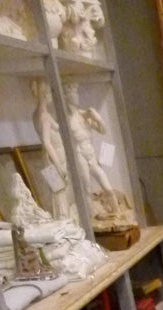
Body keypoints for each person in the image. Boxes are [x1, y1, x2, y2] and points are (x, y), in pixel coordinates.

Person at [63, 80, 118, 216]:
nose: (76, 96)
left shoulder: (85, 114)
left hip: (90, 154)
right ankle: (89, 217)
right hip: (79, 153)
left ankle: (116, 211)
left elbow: (103, 131)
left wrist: (97, 118)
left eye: (76, 93)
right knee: (86, 188)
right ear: (66, 97)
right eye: (72, 93)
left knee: (107, 186)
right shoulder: (66, 119)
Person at [31, 78, 73, 220]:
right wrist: (59, 167)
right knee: (59, 194)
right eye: (49, 93)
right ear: (44, 94)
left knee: (60, 193)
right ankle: (63, 222)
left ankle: (64, 222)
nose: (50, 96)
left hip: (53, 157)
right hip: (53, 160)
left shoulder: (39, 114)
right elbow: (47, 143)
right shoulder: (43, 117)